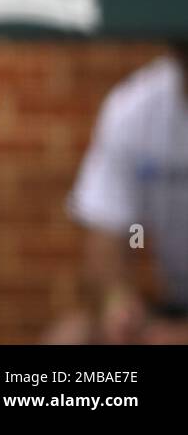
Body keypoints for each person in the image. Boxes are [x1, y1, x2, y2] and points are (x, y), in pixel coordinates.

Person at [46, 42, 188, 344]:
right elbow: (105, 231)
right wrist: (117, 302)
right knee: (70, 338)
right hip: (174, 303)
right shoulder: (134, 107)